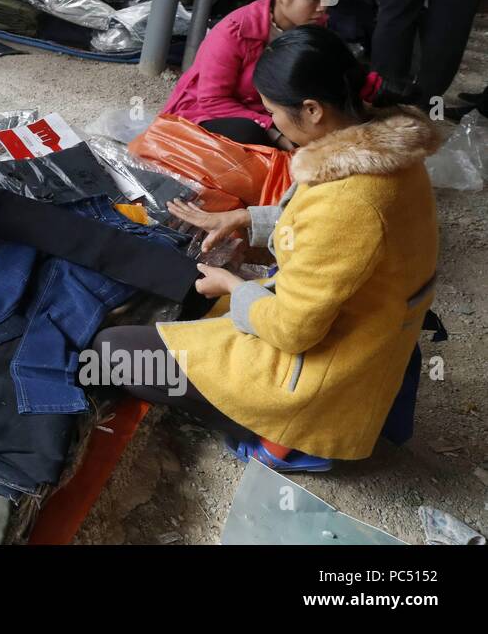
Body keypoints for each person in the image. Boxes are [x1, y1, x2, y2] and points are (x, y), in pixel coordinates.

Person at [92, 26, 441, 471]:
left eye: (273, 111)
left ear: (312, 110)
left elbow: (294, 329)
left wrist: (233, 286)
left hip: (319, 375)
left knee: (113, 353)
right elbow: (340, 235)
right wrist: (244, 219)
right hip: (368, 338)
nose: (271, 122)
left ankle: (284, 439)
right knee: (190, 320)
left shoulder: (351, 199)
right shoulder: (390, 154)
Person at [160, 0, 332, 148]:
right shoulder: (234, 31)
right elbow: (212, 100)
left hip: (274, 112)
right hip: (211, 112)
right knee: (249, 134)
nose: (323, 6)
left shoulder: (315, 25)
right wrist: (274, 131)